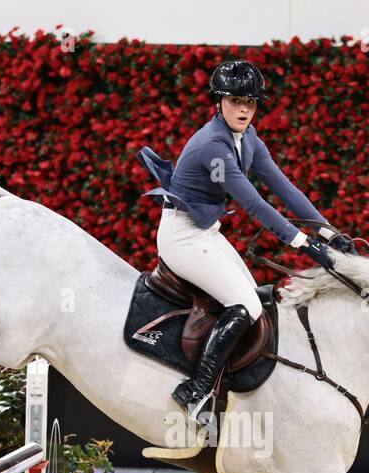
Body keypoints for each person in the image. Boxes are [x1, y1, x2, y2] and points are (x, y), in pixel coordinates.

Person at [142, 59, 354, 420]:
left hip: (204, 231)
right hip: (181, 236)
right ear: (218, 102)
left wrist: (328, 231)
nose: (243, 109)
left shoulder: (249, 138)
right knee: (246, 306)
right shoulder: (213, 146)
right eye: (235, 100)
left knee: (252, 299)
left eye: (251, 102)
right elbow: (253, 204)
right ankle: (195, 390)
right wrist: (304, 244)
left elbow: (282, 187)